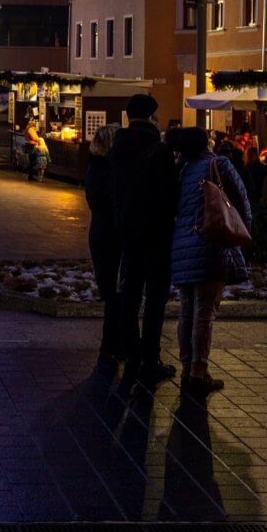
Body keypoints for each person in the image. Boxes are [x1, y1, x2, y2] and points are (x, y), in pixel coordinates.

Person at [169, 125, 250, 393]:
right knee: (205, 312)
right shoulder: (219, 163)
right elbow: (241, 200)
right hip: (210, 243)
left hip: (181, 245)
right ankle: (198, 371)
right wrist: (242, 232)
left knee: (186, 309)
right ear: (206, 143)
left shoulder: (180, 169)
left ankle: (185, 367)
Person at [111, 93, 180, 388]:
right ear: (152, 116)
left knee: (130, 294)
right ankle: (150, 359)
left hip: (127, 232)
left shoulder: (116, 147)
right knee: (155, 298)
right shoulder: (158, 149)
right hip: (156, 235)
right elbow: (169, 195)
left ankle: (132, 352)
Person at [83, 124, 123, 363]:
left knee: (111, 293)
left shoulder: (93, 168)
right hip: (110, 235)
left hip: (98, 233)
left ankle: (112, 344)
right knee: (115, 294)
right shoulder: (108, 172)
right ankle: (111, 344)